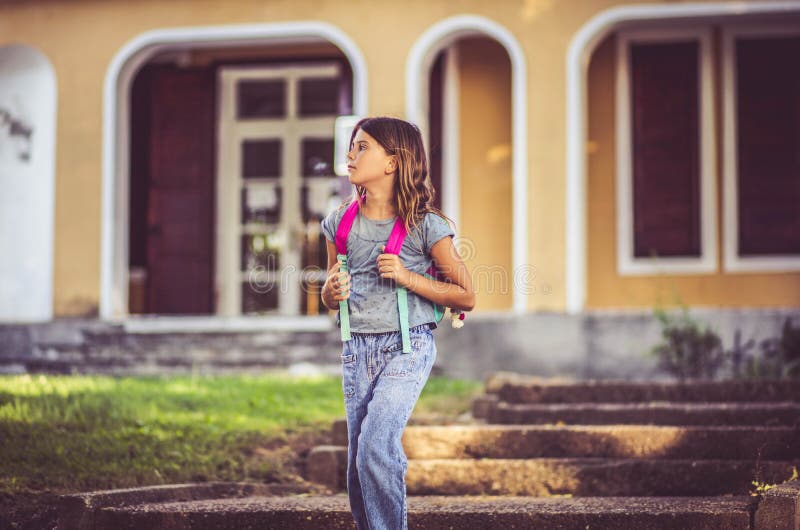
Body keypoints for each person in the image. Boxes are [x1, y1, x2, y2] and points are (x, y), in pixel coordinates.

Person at [319, 116, 475, 529]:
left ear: (393, 161)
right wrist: (330, 293)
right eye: (351, 147)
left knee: (375, 445)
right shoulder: (340, 223)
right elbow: (328, 291)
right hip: (357, 352)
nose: (350, 155)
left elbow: (466, 295)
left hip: (407, 348)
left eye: (362, 147)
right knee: (358, 461)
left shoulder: (426, 225)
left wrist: (407, 276)